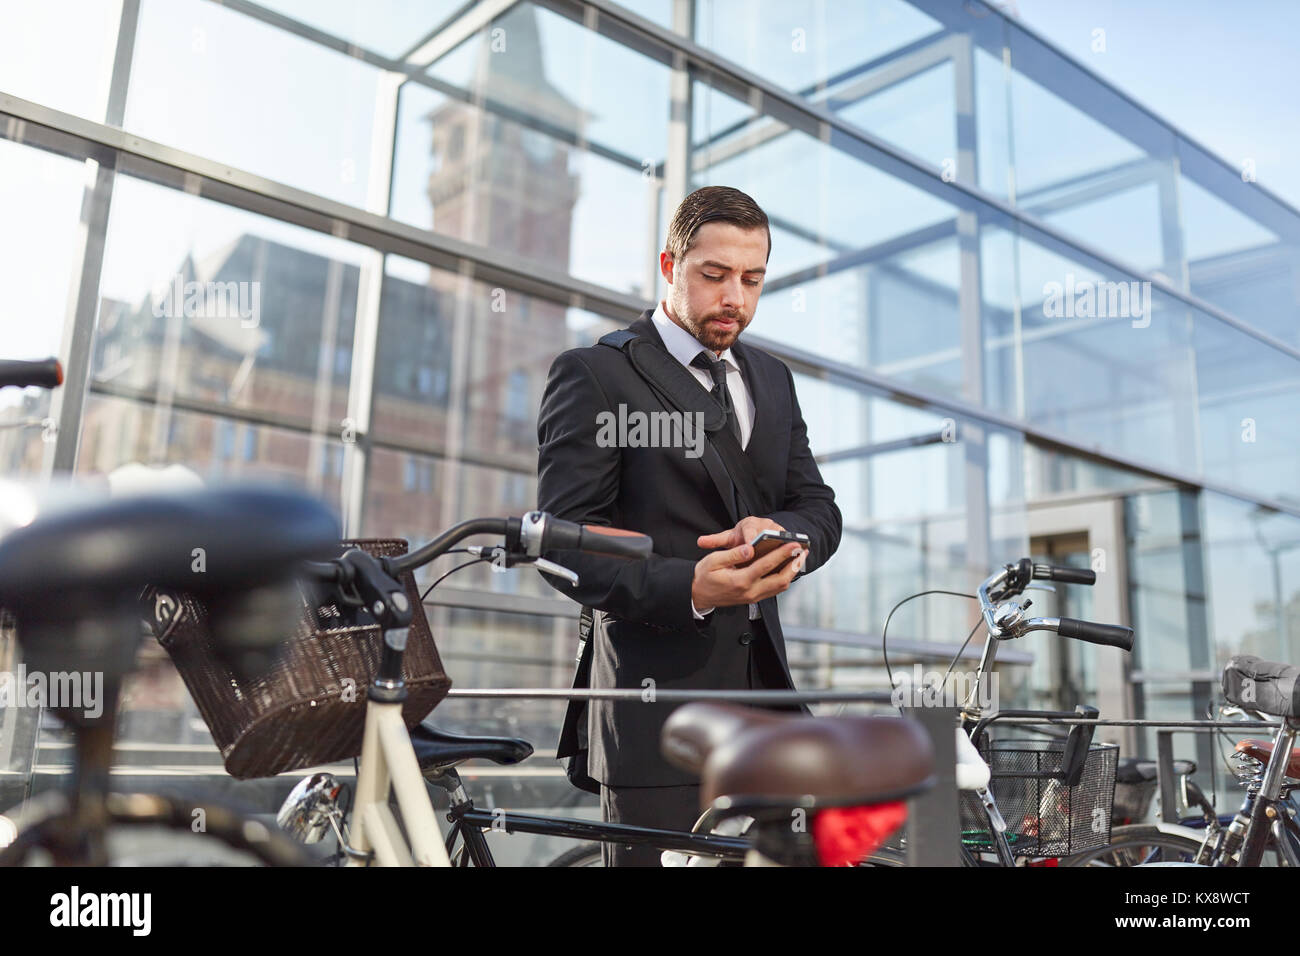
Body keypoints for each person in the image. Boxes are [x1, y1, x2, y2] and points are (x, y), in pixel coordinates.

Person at [535, 185, 842, 866]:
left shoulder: (773, 377)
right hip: (656, 716)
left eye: (752, 279)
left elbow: (819, 507)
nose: (735, 297)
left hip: (766, 704)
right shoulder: (594, 374)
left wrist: (789, 540)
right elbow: (562, 543)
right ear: (670, 266)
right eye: (714, 275)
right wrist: (694, 588)